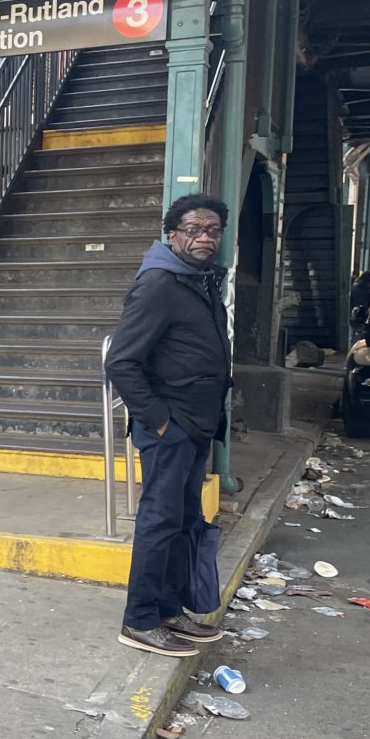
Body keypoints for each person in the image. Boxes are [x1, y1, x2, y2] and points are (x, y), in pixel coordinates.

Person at [105, 194, 233, 659]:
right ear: (173, 234)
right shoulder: (159, 284)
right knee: (159, 522)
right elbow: (122, 360)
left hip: (198, 424)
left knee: (184, 520)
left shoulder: (198, 281)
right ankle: (139, 620)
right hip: (172, 427)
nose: (205, 238)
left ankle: (169, 609)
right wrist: (160, 421)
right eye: (195, 229)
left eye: (213, 230)